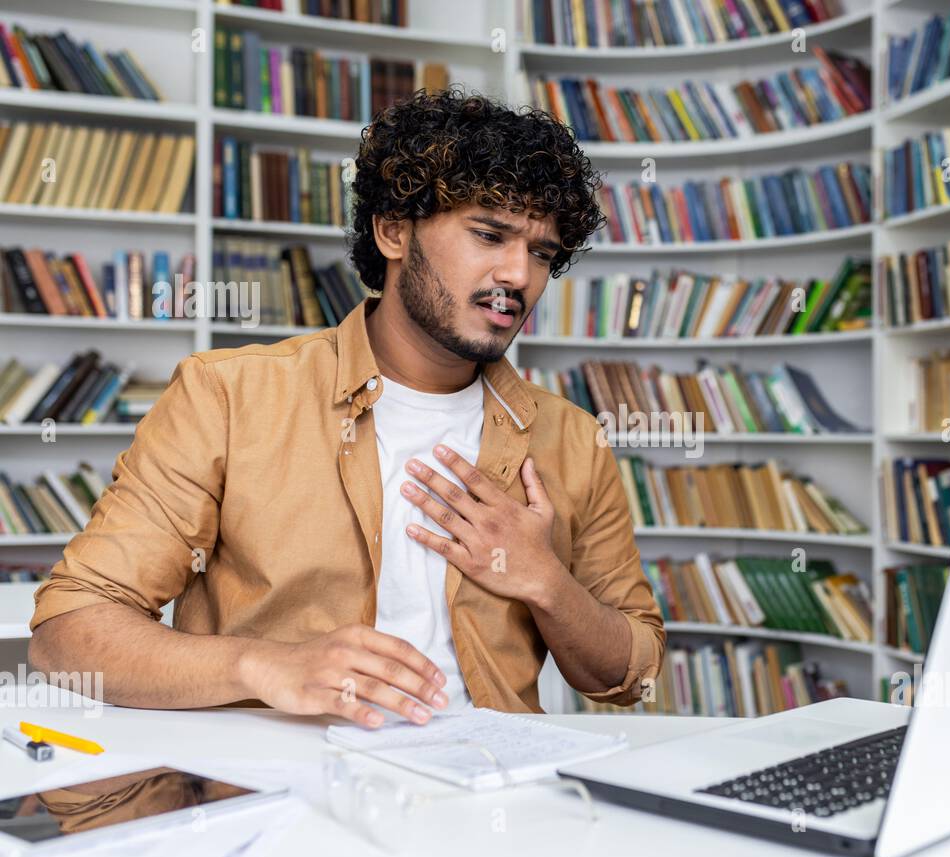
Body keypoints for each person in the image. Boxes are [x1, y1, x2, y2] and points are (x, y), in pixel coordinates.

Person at [28, 88, 666, 727]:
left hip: (488, 792)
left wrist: (546, 582)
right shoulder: (226, 395)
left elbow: (628, 676)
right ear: (393, 230)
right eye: (489, 234)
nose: (519, 276)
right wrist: (264, 666)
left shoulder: (573, 438)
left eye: (541, 253)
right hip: (280, 791)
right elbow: (68, 632)